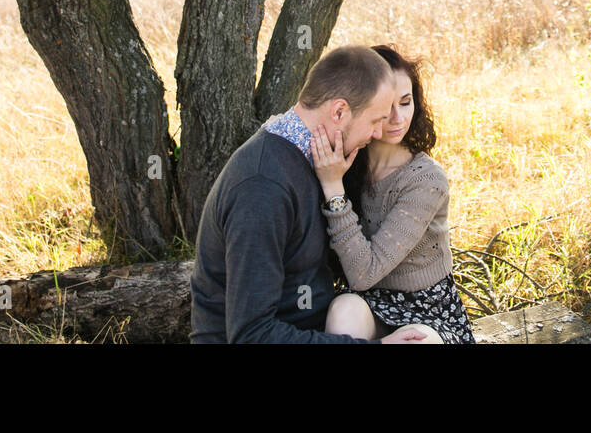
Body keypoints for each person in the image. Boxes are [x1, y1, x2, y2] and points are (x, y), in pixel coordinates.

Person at [189, 44, 430, 343]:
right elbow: (251, 335)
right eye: (375, 120)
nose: (379, 134)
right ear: (339, 111)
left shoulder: (318, 159)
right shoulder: (262, 186)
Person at [311, 44, 476, 344]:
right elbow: (358, 283)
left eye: (405, 102)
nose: (398, 118)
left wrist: (334, 189)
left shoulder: (426, 179)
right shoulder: (345, 161)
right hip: (368, 302)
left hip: (427, 311)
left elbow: (364, 272)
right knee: (343, 310)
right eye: (386, 107)